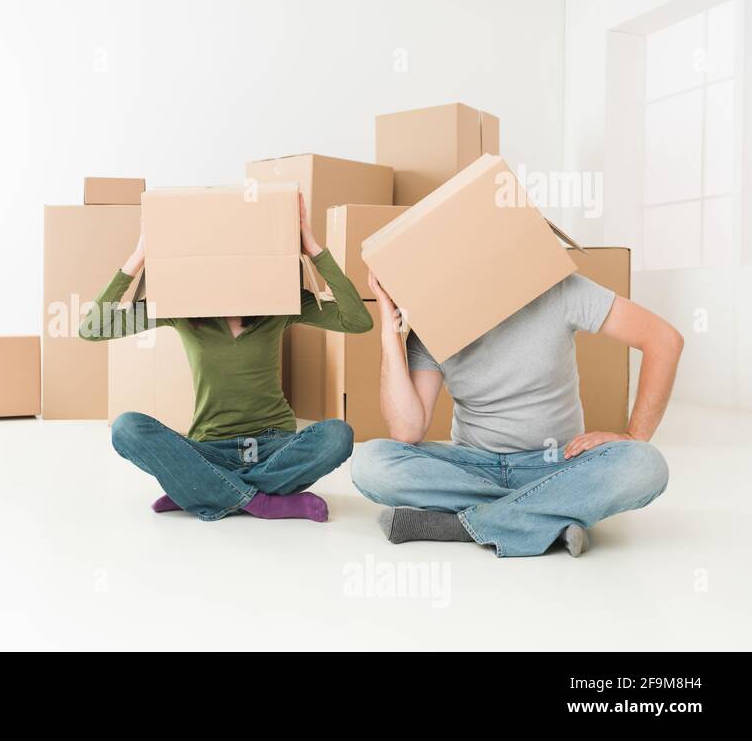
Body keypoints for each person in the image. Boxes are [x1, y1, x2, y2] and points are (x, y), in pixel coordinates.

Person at [350, 266, 682, 557]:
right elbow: (407, 430)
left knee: (646, 464)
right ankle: (551, 517)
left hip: (557, 463)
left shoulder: (559, 288)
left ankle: (467, 525)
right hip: (473, 467)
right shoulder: (435, 322)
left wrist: (632, 436)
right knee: (371, 463)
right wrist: (389, 332)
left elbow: (664, 340)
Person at [80, 193, 373, 522]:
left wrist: (313, 247)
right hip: (210, 448)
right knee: (126, 428)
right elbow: (93, 328)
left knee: (338, 436)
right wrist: (141, 253)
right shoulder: (180, 307)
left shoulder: (281, 304)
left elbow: (358, 321)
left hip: (275, 446)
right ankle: (261, 501)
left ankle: (198, 489)